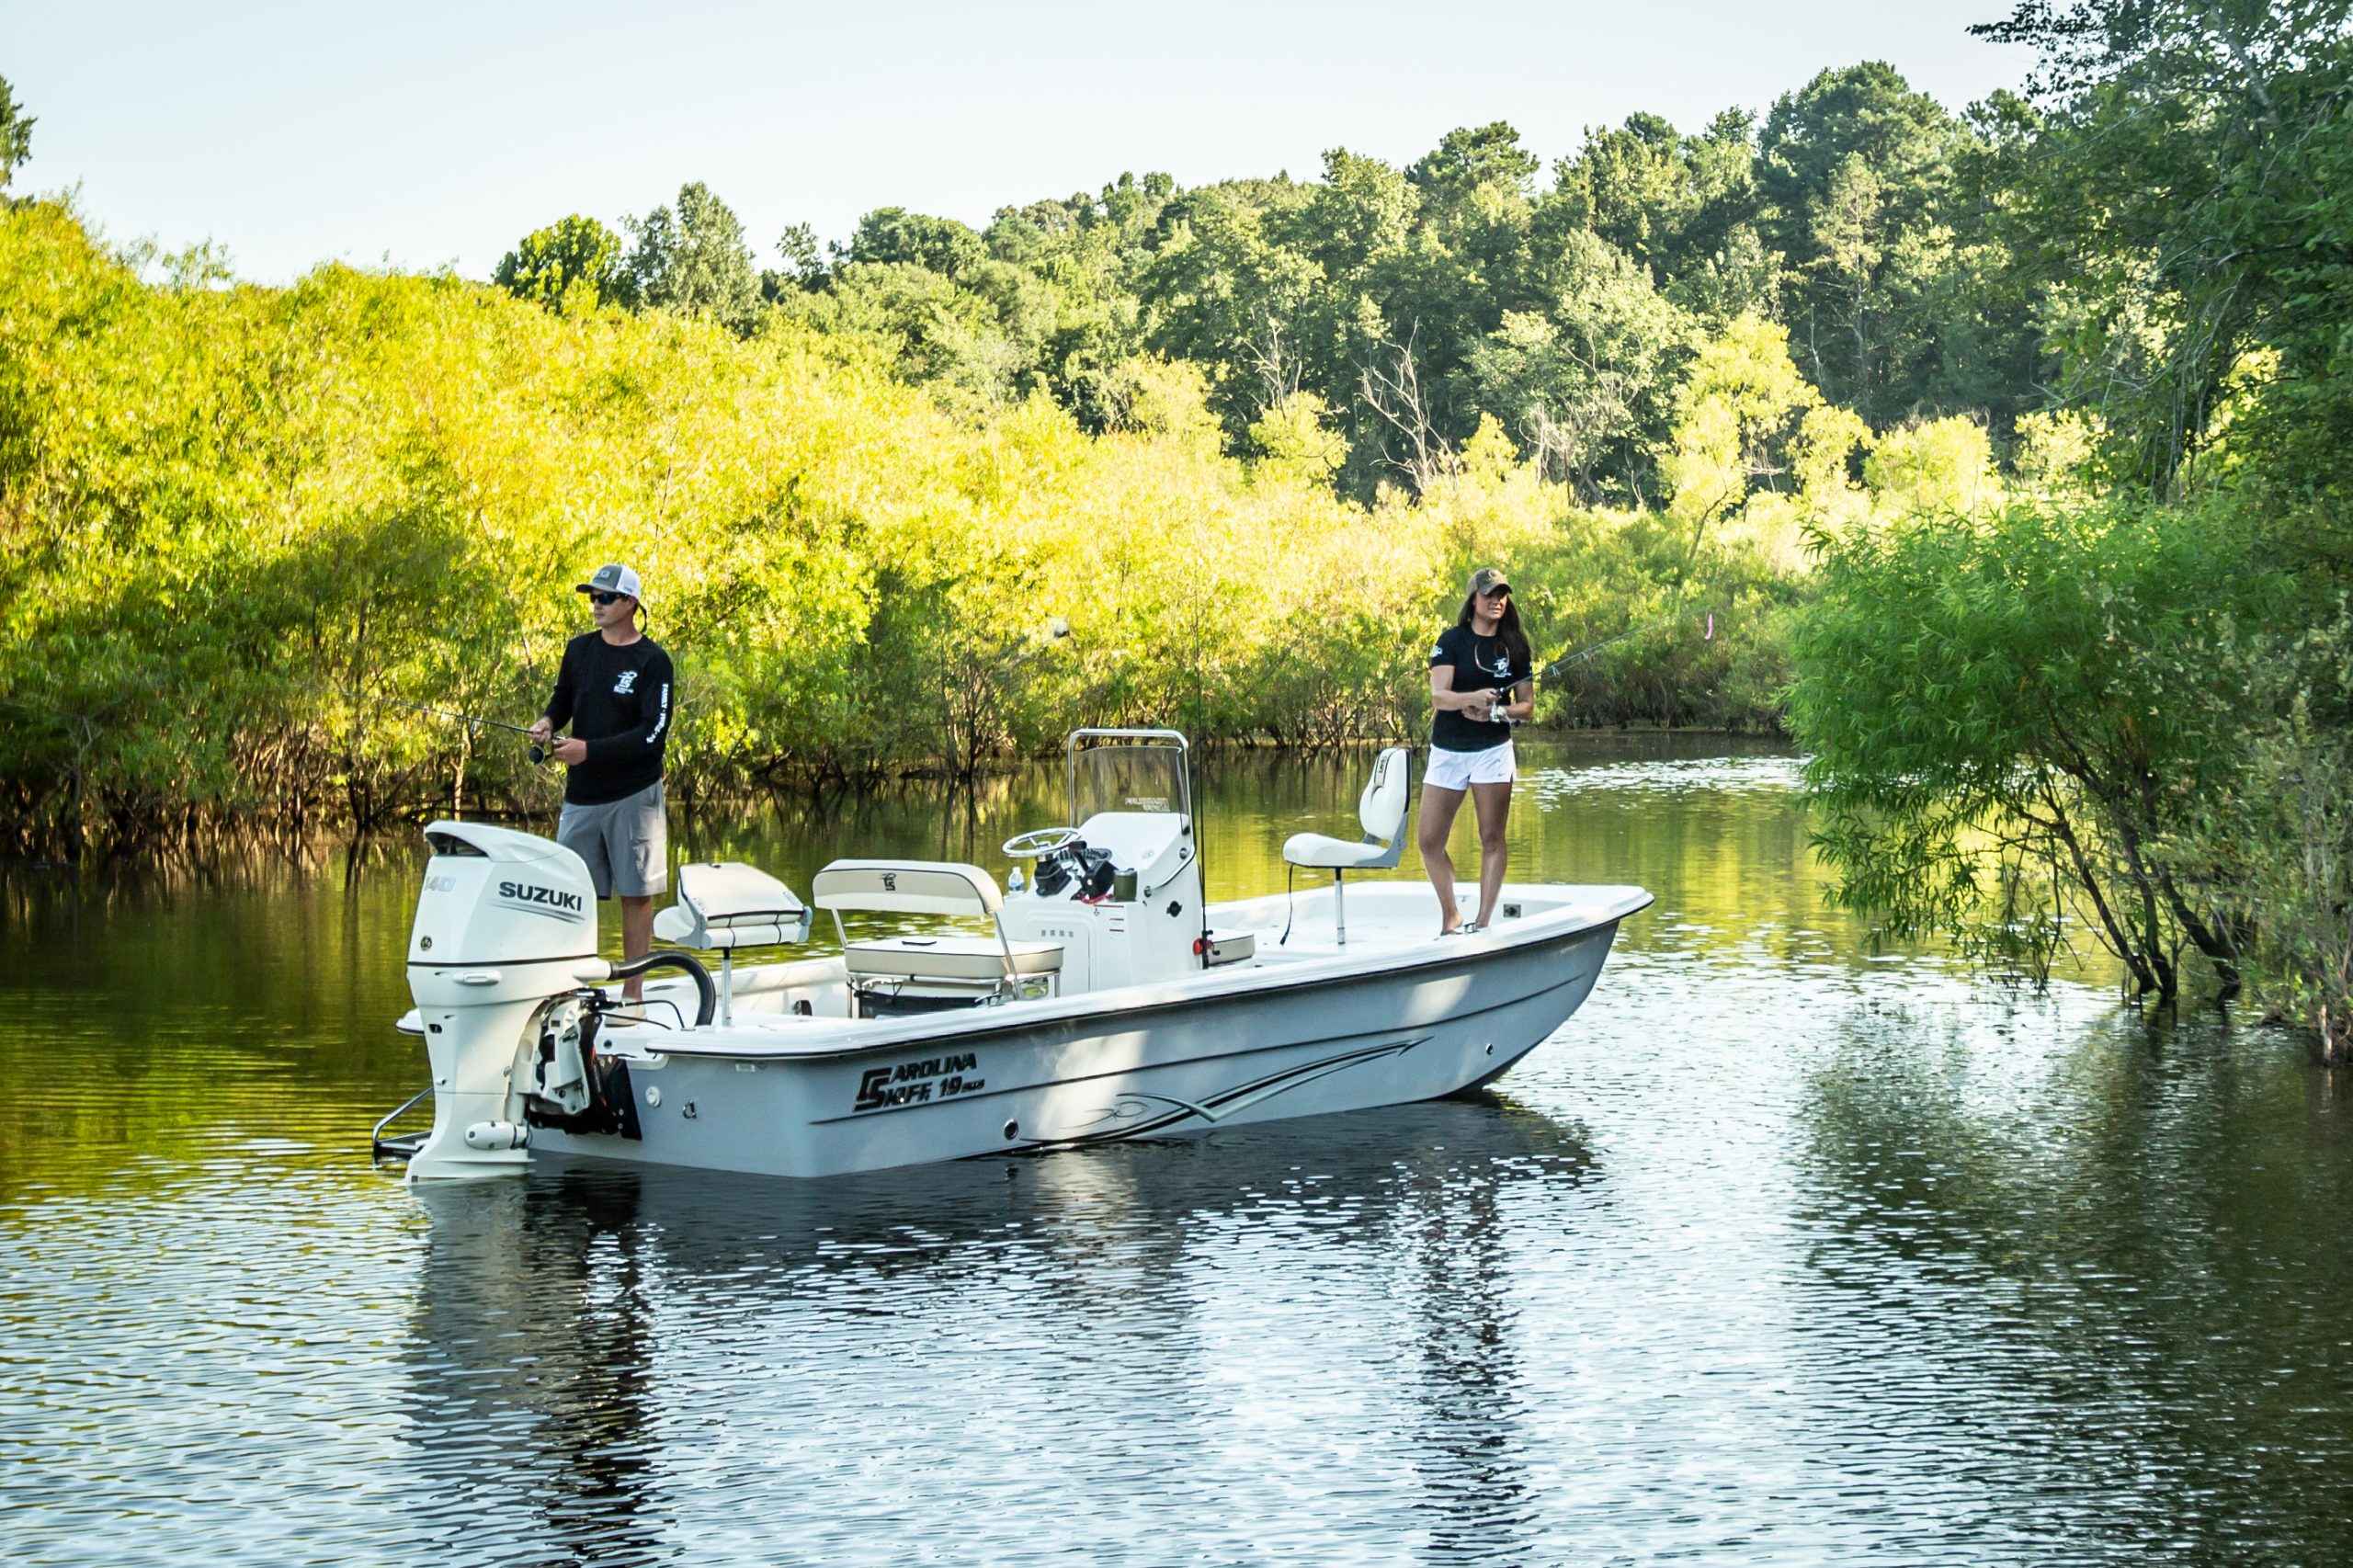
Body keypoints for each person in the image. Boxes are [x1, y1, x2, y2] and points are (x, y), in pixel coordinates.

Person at [526, 564, 674, 1003]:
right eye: (593, 597)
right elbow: (563, 699)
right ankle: (570, 991)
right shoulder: (579, 651)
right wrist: (549, 721)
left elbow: (652, 736)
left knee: (635, 894)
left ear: (630, 603)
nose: (596, 605)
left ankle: (634, 994)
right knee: (569, 894)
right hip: (582, 798)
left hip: (635, 796)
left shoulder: (653, 661)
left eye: (605, 598)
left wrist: (590, 750)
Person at [1417, 566, 1533, 936]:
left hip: (1493, 751)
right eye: (1488, 594)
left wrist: (1496, 711)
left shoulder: (1515, 645)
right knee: (1429, 841)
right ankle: (1451, 914)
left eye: (1501, 594)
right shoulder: (1451, 641)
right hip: (1448, 750)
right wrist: (1473, 698)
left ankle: (1483, 921)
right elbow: (1439, 696)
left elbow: (1527, 707)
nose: (1496, 600)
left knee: (1492, 838)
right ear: (1473, 600)